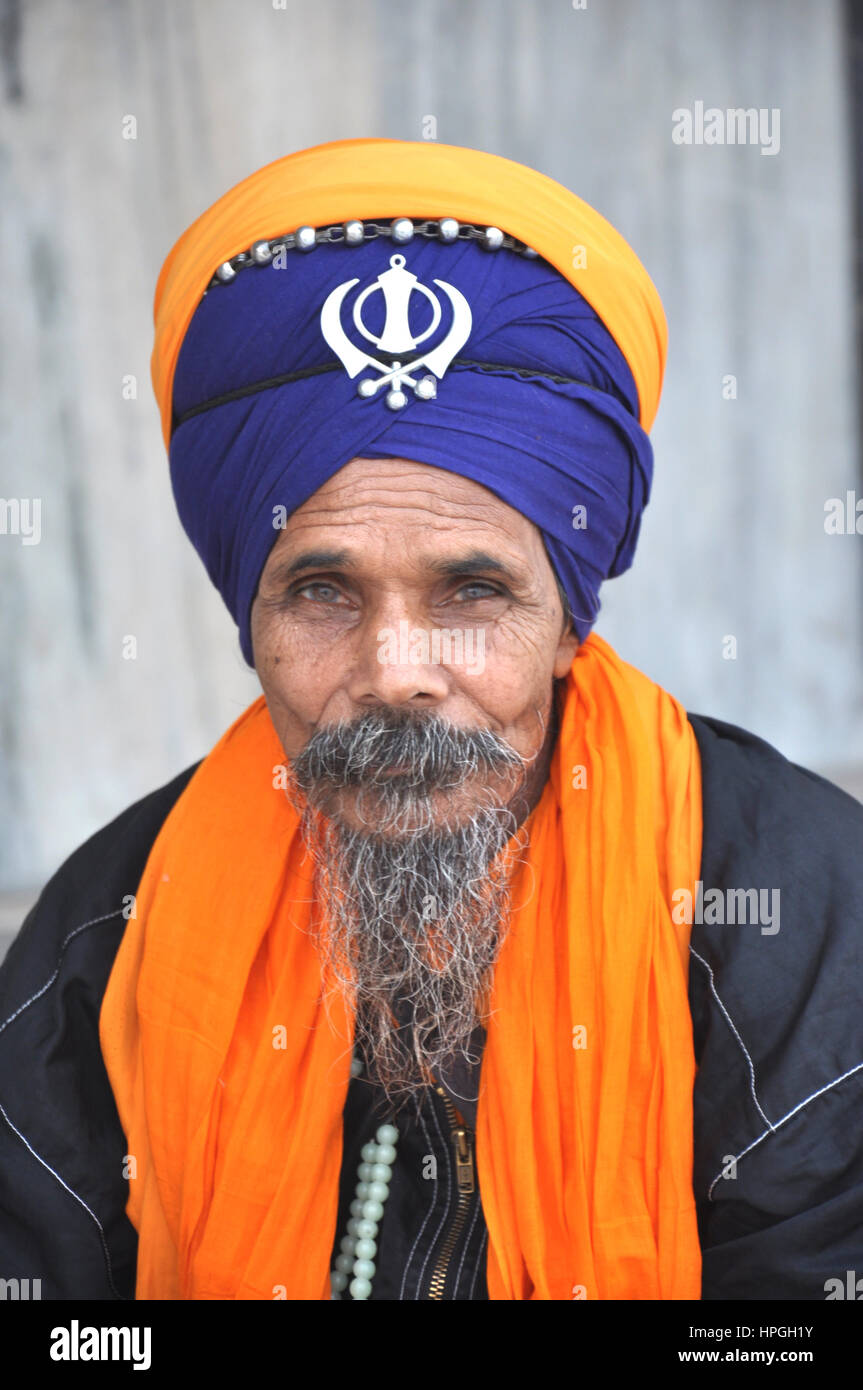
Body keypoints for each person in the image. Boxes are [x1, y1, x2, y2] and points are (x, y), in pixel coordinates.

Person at [1, 138, 861, 1302]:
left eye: (471, 590)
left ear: (569, 623)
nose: (396, 671)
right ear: (244, 615)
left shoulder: (791, 907)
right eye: (320, 591)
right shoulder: (110, 933)